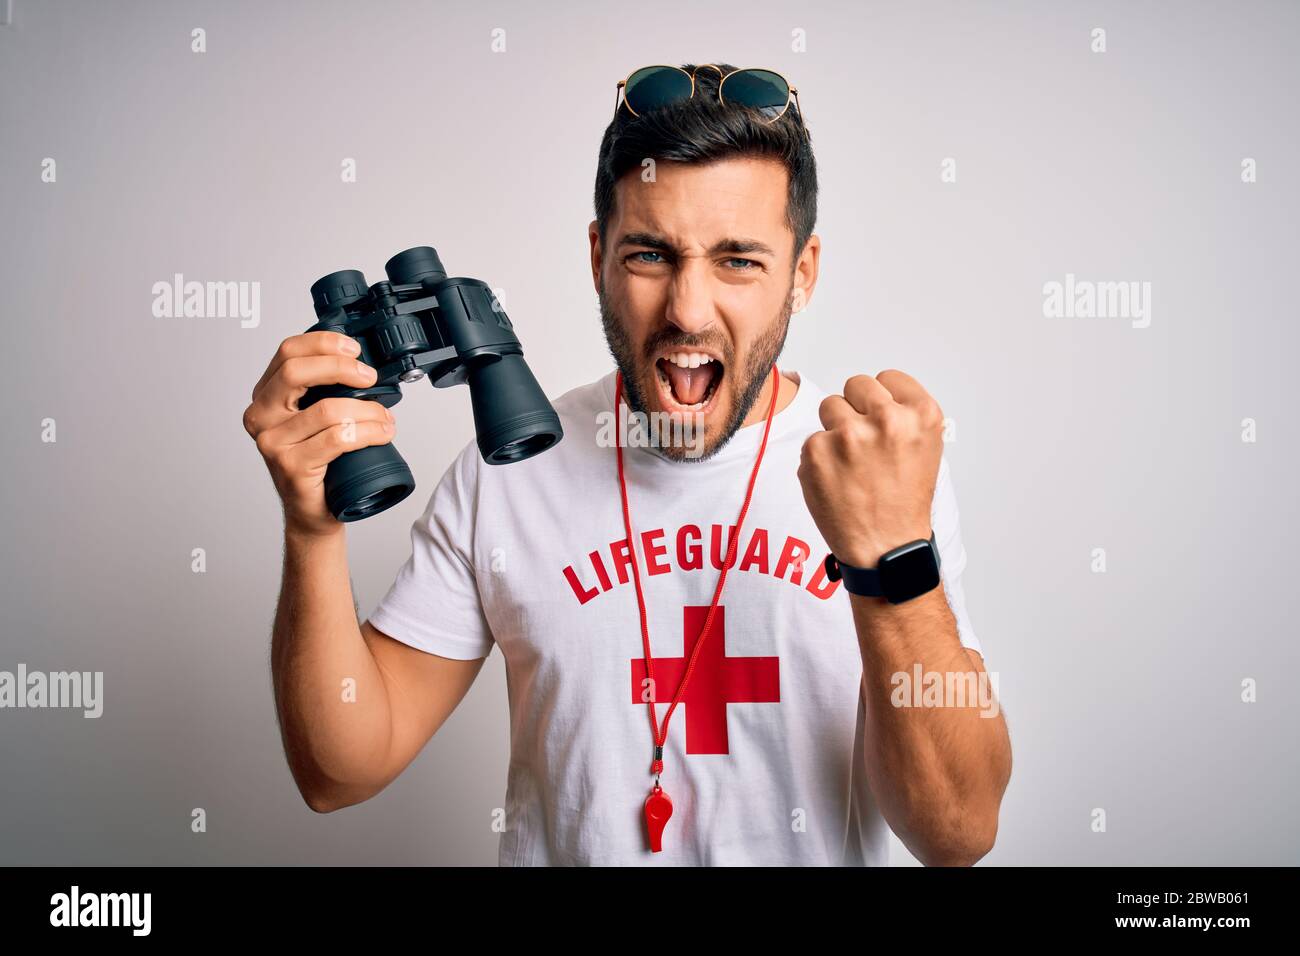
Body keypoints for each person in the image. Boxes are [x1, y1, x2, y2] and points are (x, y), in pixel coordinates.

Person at [242, 61, 1012, 866]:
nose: (686, 308)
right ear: (598, 255)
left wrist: (892, 562)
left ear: (802, 274)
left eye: (738, 261)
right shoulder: (508, 469)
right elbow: (341, 771)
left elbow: (956, 831)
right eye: (650, 255)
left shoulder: (878, 476)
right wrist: (311, 528)